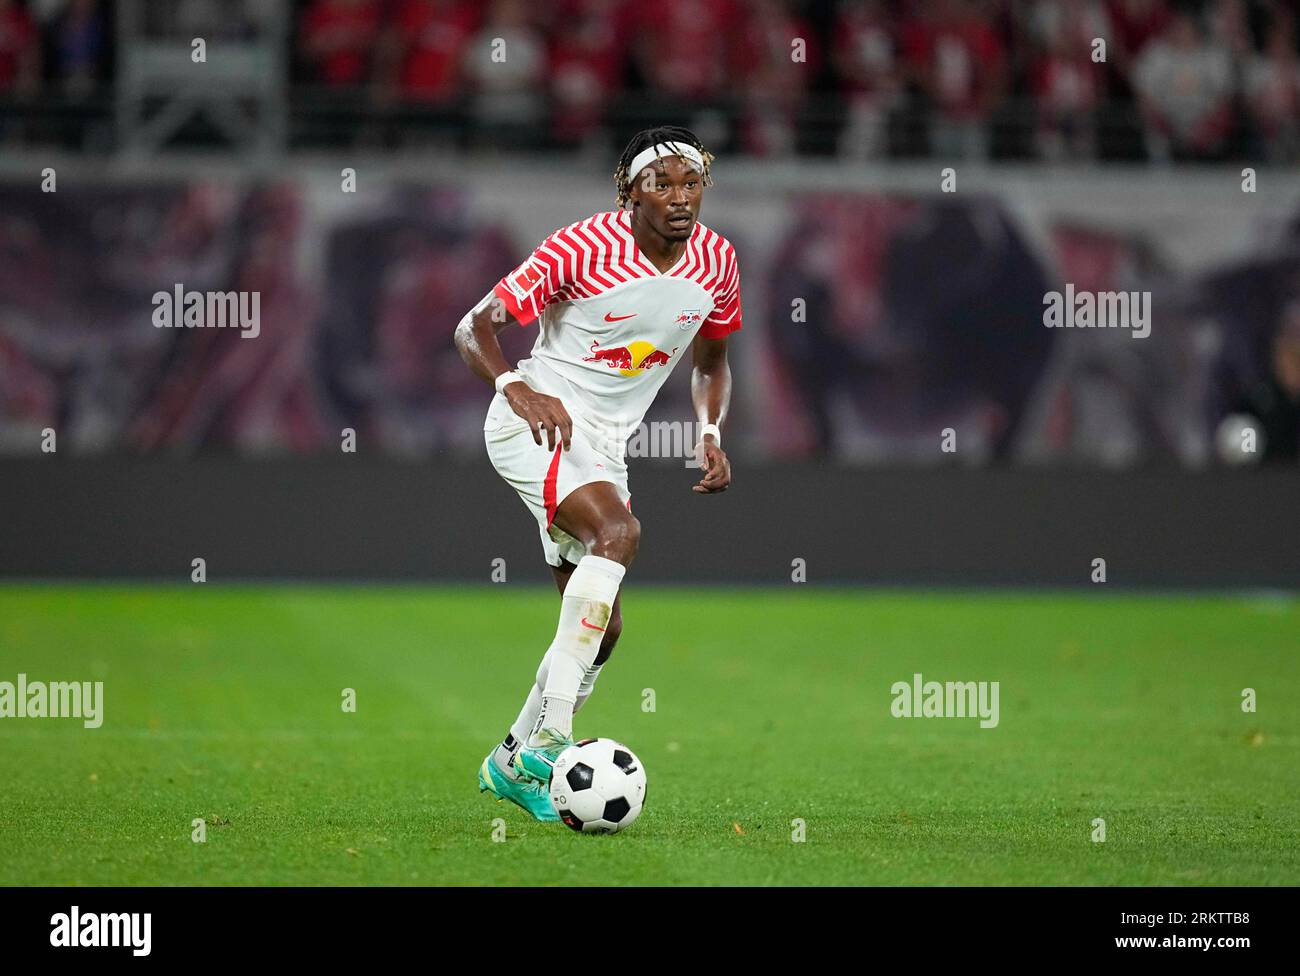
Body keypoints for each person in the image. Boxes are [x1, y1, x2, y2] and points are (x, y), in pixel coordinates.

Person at [452, 125, 741, 821]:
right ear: (629, 191)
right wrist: (513, 386)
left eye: (691, 182)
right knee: (618, 532)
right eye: (661, 183)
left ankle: (510, 762)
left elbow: (710, 361)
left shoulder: (718, 264)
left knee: (601, 631)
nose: (680, 197)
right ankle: (553, 736)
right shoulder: (579, 247)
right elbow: (474, 328)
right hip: (535, 423)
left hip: (604, 449)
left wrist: (708, 430)